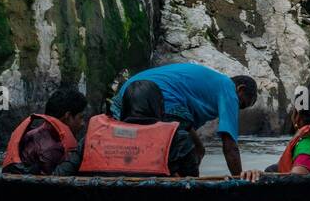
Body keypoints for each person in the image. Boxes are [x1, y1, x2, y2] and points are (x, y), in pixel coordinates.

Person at [109, 64, 257, 176]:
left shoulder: (213, 85)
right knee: (191, 149)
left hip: (127, 96)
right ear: (240, 89)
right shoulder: (228, 88)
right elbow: (230, 146)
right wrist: (239, 180)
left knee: (198, 149)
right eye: (242, 104)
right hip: (157, 95)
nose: (237, 109)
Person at [54, 79, 199, 178]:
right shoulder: (178, 138)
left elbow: (60, 175)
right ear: (159, 107)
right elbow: (192, 183)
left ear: (124, 109)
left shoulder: (95, 136)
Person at [1, 87, 88, 174]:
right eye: (81, 117)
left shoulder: (34, 134)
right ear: (68, 116)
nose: (83, 123)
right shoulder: (52, 149)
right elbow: (53, 184)